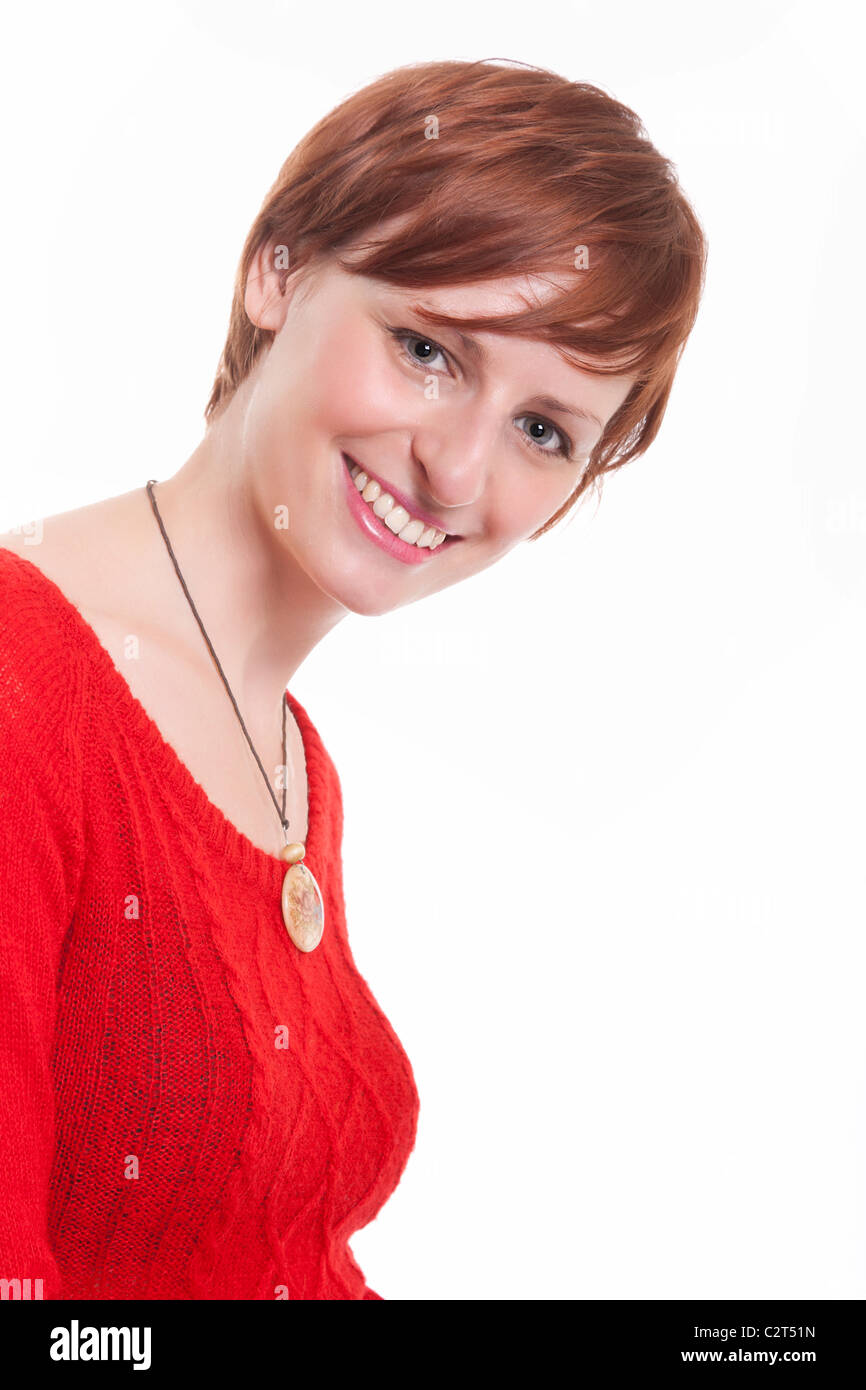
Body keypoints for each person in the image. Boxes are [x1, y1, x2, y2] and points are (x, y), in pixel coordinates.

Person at [0, 57, 707, 1300]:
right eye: (428, 348)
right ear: (275, 268)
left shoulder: (288, 763)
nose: (454, 469)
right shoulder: (24, 684)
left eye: (544, 431)